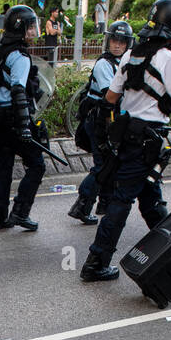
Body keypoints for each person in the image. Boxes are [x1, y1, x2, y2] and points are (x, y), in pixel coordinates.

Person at [79, 0, 171, 282]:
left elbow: (109, 101)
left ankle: (168, 257)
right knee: (122, 202)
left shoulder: (132, 55)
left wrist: (107, 137)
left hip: (129, 138)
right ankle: (95, 262)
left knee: (151, 203)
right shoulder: (169, 59)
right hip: (150, 141)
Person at [0, 6, 47, 233]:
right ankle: (21, 212)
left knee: (4, 167)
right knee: (37, 164)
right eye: (31, 26)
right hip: (13, 117)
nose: (34, 31)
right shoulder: (19, 56)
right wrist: (23, 126)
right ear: (22, 29)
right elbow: (19, 91)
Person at [68, 20, 135, 224]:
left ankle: (104, 203)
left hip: (114, 119)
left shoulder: (124, 64)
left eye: (122, 42)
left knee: (111, 162)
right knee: (102, 165)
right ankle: (82, 205)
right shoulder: (104, 64)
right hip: (99, 119)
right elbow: (110, 95)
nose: (117, 45)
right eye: (114, 40)